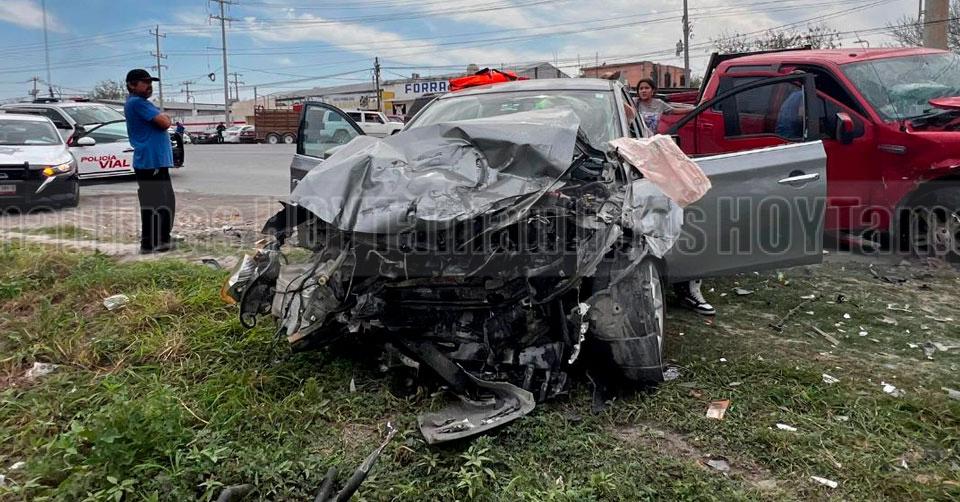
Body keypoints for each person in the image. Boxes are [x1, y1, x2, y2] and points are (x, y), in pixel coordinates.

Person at [635, 78, 715, 316]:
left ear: (653, 90)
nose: (643, 91)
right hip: (635, 150)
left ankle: (686, 284)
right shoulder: (632, 104)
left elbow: (677, 110)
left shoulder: (659, 105)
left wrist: (700, 106)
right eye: (640, 88)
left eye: (646, 88)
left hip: (650, 153)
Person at [124, 68, 176, 254]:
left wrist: (163, 117)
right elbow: (164, 123)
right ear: (132, 85)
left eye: (150, 83)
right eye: (145, 82)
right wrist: (165, 117)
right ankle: (157, 243)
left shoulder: (138, 103)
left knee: (157, 203)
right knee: (160, 204)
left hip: (153, 162)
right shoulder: (138, 103)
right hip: (151, 162)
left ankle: (154, 242)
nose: (149, 86)